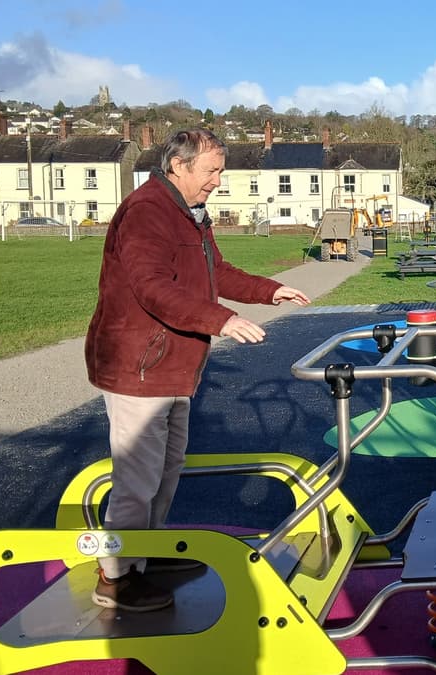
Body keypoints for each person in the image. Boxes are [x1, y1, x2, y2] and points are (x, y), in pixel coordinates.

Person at [84, 129, 311, 611]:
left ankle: (146, 554)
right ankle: (115, 577)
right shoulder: (148, 212)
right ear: (178, 166)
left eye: (220, 171)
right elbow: (151, 287)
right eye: (211, 171)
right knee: (137, 478)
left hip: (172, 366)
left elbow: (216, 273)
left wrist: (270, 290)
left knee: (167, 469)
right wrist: (221, 320)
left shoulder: (190, 214)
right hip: (139, 365)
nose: (218, 181)